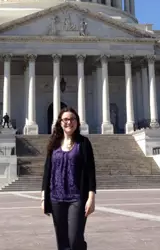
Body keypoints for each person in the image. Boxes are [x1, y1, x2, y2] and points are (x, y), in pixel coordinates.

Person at [41, 107, 96, 250]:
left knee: (75, 239)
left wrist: (91, 197)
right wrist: (43, 197)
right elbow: (47, 171)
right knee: (62, 241)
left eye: (72, 119)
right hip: (56, 197)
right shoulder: (53, 143)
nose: (69, 122)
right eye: (65, 119)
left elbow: (90, 172)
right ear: (60, 122)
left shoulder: (83, 143)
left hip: (76, 197)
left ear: (77, 122)